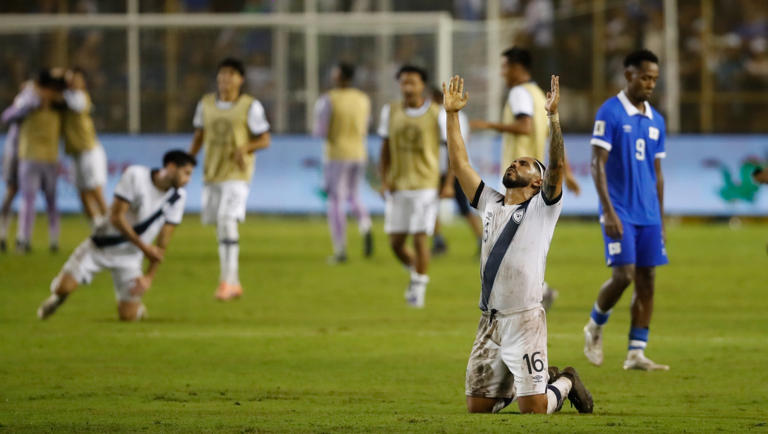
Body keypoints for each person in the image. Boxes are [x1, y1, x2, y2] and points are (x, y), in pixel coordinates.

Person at [444, 74, 592, 414]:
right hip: (490, 321)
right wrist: (452, 115)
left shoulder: (543, 207)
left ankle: (565, 380)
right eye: (513, 161)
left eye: (524, 163)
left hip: (525, 319)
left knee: (535, 410)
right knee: (477, 409)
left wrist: (553, 119)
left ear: (538, 180)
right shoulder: (490, 203)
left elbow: (556, 164)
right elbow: (459, 164)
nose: (514, 163)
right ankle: (522, 384)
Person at [470, 47, 580, 311]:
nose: (502, 72)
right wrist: (568, 174)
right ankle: (539, 290)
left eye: (505, 66)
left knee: (501, 240)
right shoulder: (538, 94)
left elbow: (525, 126)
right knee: (520, 241)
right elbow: (546, 138)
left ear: (518, 67)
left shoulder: (519, 93)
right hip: (535, 177)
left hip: (518, 179)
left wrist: (488, 125)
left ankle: (527, 294)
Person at [583, 49, 670, 371]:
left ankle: (636, 352)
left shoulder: (656, 120)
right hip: (619, 209)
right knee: (623, 276)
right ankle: (594, 325)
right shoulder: (610, 112)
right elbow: (596, 164)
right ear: (629, 75)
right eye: (645, 77)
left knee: (647, 280)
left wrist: (660, 219)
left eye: (654, 79)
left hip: (648, 214)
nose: (650, 84)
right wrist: (608, 211)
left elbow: (657, 174)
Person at [36, 150, 196, 321]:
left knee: (128, 317)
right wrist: (144, 247)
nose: (188, 180)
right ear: (171, 167)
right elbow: (116, 217)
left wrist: (148, 277)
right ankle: (57, 298)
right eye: (186, 173)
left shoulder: (178, 197)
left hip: (130, 257)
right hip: (101, 245)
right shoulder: (136, 176)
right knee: (64, 288)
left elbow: (163, 241)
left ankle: (136, 308)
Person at [189, 57, 271, 301]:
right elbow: (199, 137)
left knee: (227, 219)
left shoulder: (250, 106)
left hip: (237, 174)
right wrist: (187, 162)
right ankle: (233, 283)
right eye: (222, 74)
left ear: (240, 79)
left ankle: (226, 281)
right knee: (219, 225)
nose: (225, 79)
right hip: (212, 172)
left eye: (231, 74)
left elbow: (265, 139)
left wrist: (245, 148)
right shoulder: (205, 105)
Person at [378, 65, 442, 308]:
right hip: (398, 185)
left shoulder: (436, 113)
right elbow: (385, 149)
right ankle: (417, 273)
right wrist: (384, 179)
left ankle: (418, 291)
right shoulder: (391, 111)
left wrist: (447, 183)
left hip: (425, 185)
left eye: (412, 82)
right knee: (395, 243)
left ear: (422, 85)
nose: (407, 87)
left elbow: (448, 150)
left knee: (419, 237)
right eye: (403, 82)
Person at [312, 62, 373, 264]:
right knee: (354, 195)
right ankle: (365, 225)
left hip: (337, 153)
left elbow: (320, 131)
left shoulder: (328, 99)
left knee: (336, 201)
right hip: (359, 151)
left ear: (338, 76)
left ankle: (340, 249)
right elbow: (365, 125)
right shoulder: (363, 99)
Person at [14, 69, 67, 253]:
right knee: (28, 200)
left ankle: (54, 241)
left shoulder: (59, 106)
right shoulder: (28, 103)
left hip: (50, 159)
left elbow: (71, 93)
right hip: (29, 157)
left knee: (51, 201)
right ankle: (23, 239)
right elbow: (8, 115)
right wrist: (30, 97)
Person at [429, 86, 482, 257]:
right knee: (463, 208)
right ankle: (440, 241)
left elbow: (450, 149)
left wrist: (449, 183)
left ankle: (439, 241)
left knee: (431, 205)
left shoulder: (441, 116)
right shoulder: (462, 116)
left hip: (449, 170)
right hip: (460, 168)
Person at [62, 67, 108, 228]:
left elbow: (73, 103)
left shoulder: (80, 97)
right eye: (72, 78)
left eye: (77, 79)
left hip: (89, 151)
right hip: (75, 152)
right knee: (82, 193)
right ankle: (97, 227)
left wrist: (61, 79)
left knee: (96, 191)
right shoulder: (65, 98)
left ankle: (111, 226)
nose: (74, 82)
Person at [0, 80, 35, 253]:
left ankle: (22, 238)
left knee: (27, 195)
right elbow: (6, 116)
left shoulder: (37, 102)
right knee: (12, 190)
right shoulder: (23, 101)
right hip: (14, 152)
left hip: (30, 153)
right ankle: (3, 234)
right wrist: (22, 108)